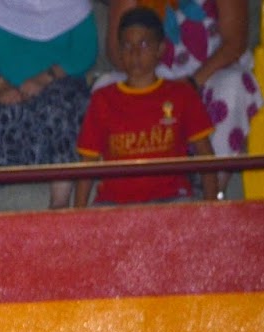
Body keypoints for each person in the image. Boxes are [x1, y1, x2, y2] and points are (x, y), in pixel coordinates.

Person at [0, 0, 96, 213]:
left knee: (68, 104)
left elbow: (85, 51)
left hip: (52, 85)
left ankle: (59, 205)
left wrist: (45, 78)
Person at [75, 5, 215, 208]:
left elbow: (206, 157)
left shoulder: (181, 95)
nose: (135, 53)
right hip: (115, 203)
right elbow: (87, 165)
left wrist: (211, 210)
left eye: (143, 44)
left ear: (160, 49)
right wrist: (78, 217)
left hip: (171, 199)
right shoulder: (103, 99)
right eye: (127, 46)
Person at [100, 0, 260, 160]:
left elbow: (235, 42)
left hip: (209, 75)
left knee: (233, 85)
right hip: (150, 78)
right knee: (105, 87)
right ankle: (142, 181)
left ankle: (213, 179)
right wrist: (150, 83)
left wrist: (191, 84)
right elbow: (116, 51)